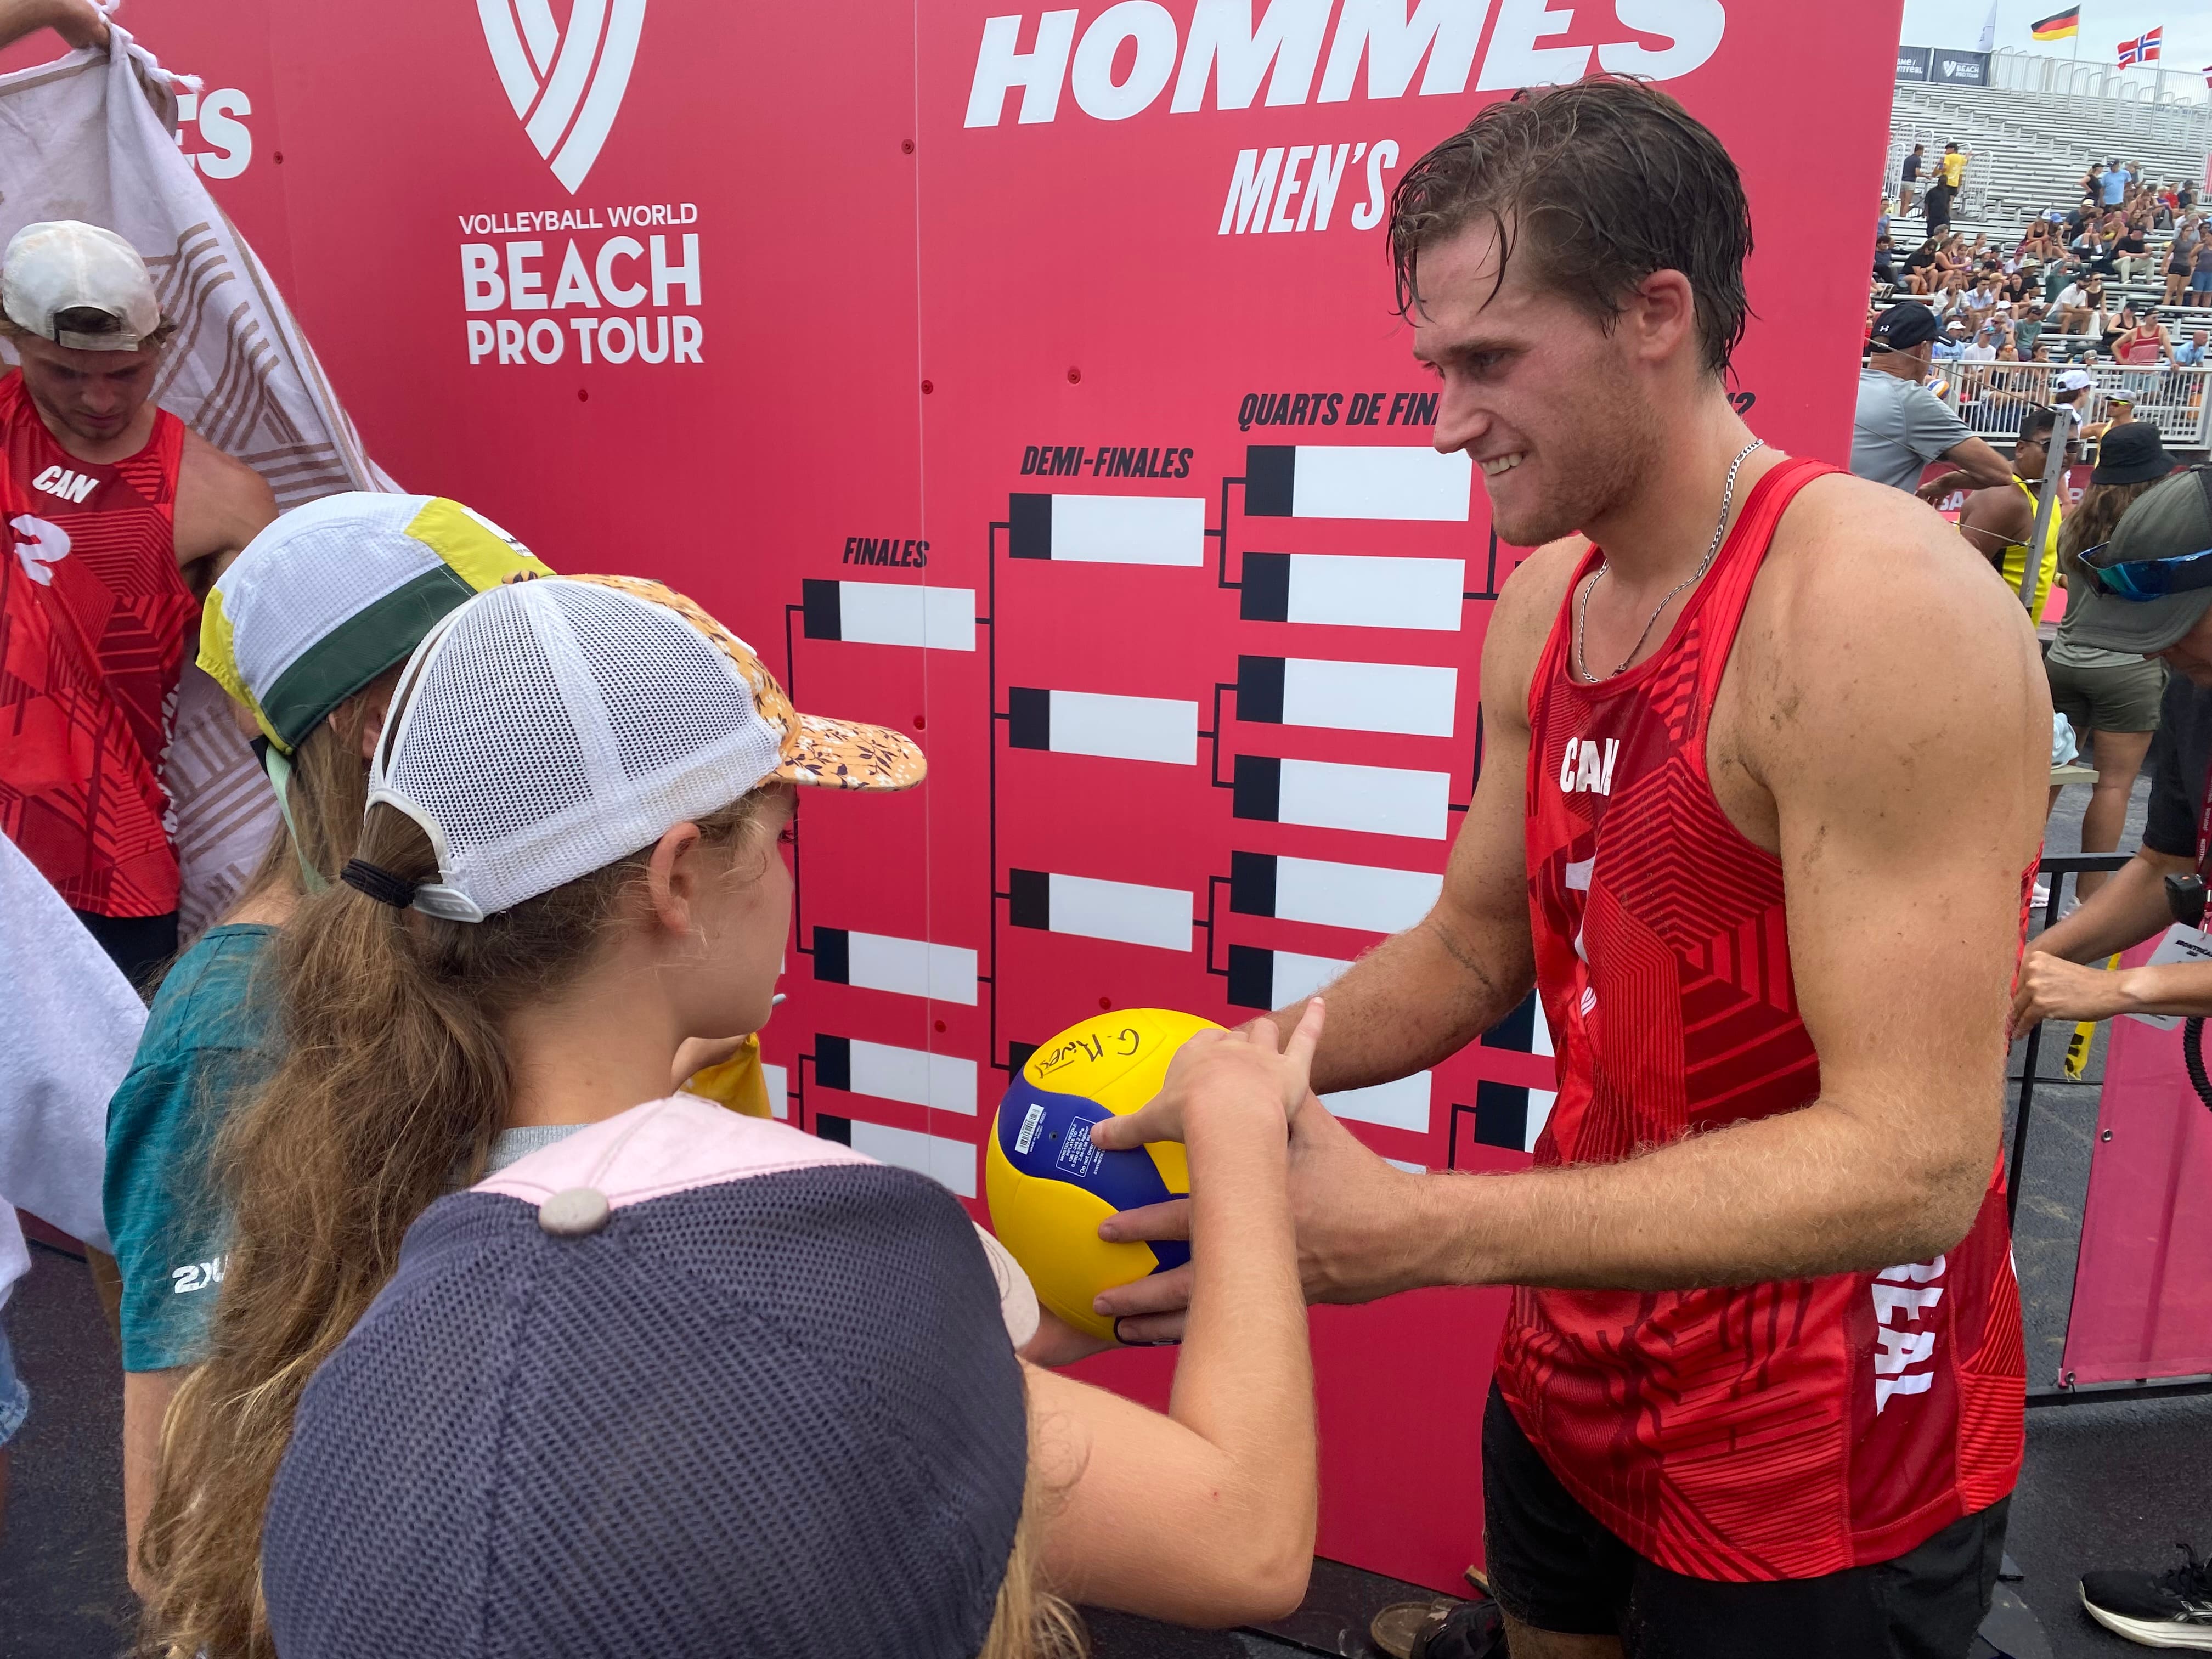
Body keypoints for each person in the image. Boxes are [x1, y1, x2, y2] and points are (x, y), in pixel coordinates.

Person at [1102, 78, 2045, 1656]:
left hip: (1821, 1452)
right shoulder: (1550, 599)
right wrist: (1245, 1076)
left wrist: (1420, 1232)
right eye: (1436, 365)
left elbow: (1917, 1165)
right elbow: (1478, 947)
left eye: (1488, 361)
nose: (1450, 416)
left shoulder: (1878, 615)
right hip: (1575, 1357)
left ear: (1656, 315)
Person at [138, 573, 1324, 1656]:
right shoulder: (837, 1242)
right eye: (782, 835)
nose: (796, 877)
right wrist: (1232, 1134)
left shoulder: (338, 1211)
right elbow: (1248, 1543)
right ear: (675, 881)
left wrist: (991, 1330)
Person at [101, 493, 551, 1594]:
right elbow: (183, 1528)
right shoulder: (230, 1036)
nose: (558, 701)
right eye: (517, 665)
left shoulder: (460, 936)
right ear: (375, 720)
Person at [0, 219, 278, 988]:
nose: (96, 398)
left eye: (125, 372)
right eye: (62, 371)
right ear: (14, 341)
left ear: (161, 345)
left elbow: (268, 691)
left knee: (110, 1104)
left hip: (109, 864)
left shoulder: (220, 496)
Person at [2038, 425, 2175, 905]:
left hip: (2065, 658)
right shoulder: (2160, 529)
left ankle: (2023, 880)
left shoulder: (2075, 521)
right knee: (2114, 786)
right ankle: (2088, 898)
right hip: (2128, 668)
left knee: (2046, 777)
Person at [1853, 301, 2014, 501]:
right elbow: (2000, 473)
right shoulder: (1912, 400)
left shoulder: (1845, 383)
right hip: (1862, 523)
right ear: (1923, 349)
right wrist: (1945, 483)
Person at [1956, 403, 2064, 625]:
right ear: (2021, 449)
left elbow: (2031, 558)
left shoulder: (2047, 494)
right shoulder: (2005, 499)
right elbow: (1957, 577)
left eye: (2071, 446)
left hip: (2016, 636)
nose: (2062, 454)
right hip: (1990, 636)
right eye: (2050, 445)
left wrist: (2059, 577)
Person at [1899, 143, 1923, 215]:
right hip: (1910, 182)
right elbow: (1917, 173)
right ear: (1919, 151)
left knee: (1902, 202)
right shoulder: (1918, 160)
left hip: (1903, 181)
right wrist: (1926, 176)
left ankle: (1900, 216)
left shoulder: (1907, 159)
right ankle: (1903, 217)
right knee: (1907, 202)